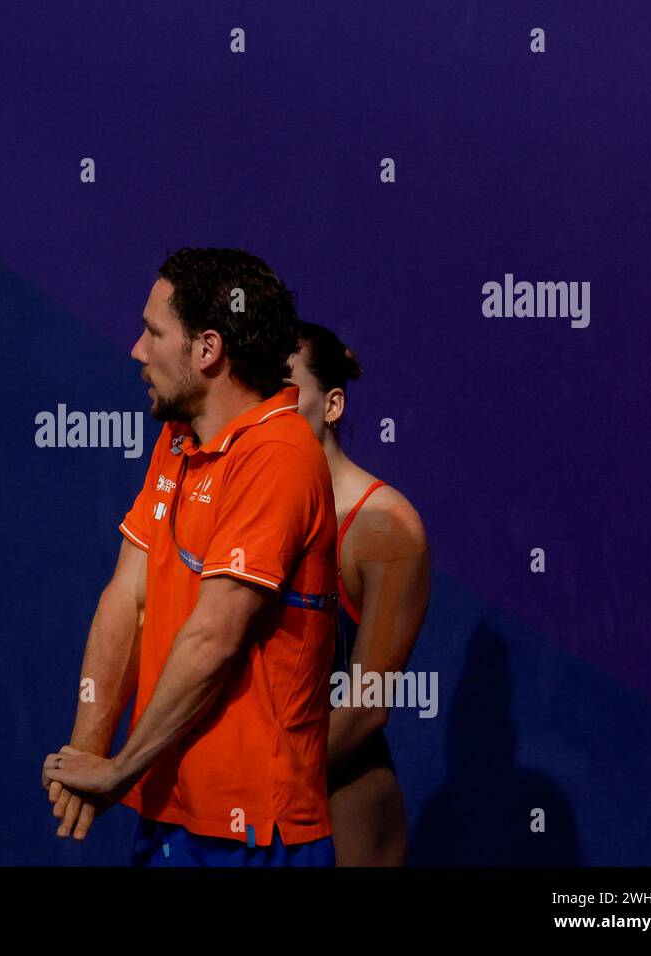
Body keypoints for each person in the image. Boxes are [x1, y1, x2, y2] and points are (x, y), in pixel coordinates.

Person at [43, 248, 339, 866]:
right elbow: (127, 597)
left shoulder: (280, 454)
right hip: (169, 807)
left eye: (154, 333)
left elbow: (215, 638)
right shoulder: (179, 438)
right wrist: (90, 753)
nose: (136, 351)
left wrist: (121, 765)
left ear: (206, 350)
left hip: (255, 832)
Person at [286, 321, 430, 866]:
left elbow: (366, 707)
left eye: (287, 382)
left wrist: (261, 786)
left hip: (339, 811)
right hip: (245, 810)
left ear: (333, 404)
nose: (271, 402)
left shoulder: (383, 525)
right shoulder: (241, 512)